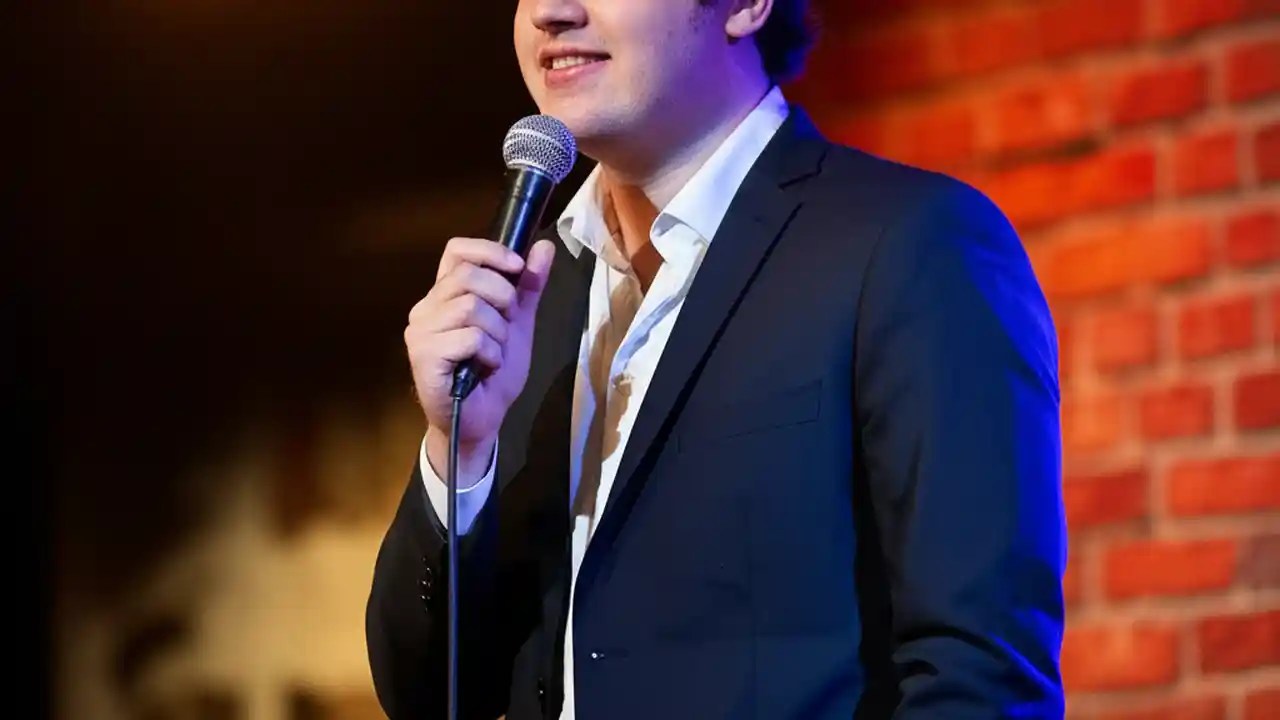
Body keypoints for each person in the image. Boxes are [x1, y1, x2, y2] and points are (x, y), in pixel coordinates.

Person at [366, 0, 1066, 717]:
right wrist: (460, 452)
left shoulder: (910, 243)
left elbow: (978, 675)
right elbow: (428, 693)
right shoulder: (533, 291)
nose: (551, 10)